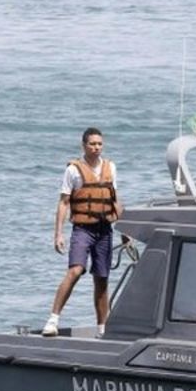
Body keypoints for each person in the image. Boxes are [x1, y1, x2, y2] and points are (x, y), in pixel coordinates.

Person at [41, 127, 123, 337]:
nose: (96, 148)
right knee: (75, 271)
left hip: (104, 230)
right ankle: (53, 320)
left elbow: (115, 199)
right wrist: (58, 234)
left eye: (99, 144)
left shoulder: (110, 167)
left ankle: (102, 329)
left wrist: (125, 230)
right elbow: (63, 203)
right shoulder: (73, 170)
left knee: (102, 278)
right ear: (84, 145)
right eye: (92, 144)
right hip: (83, 229)